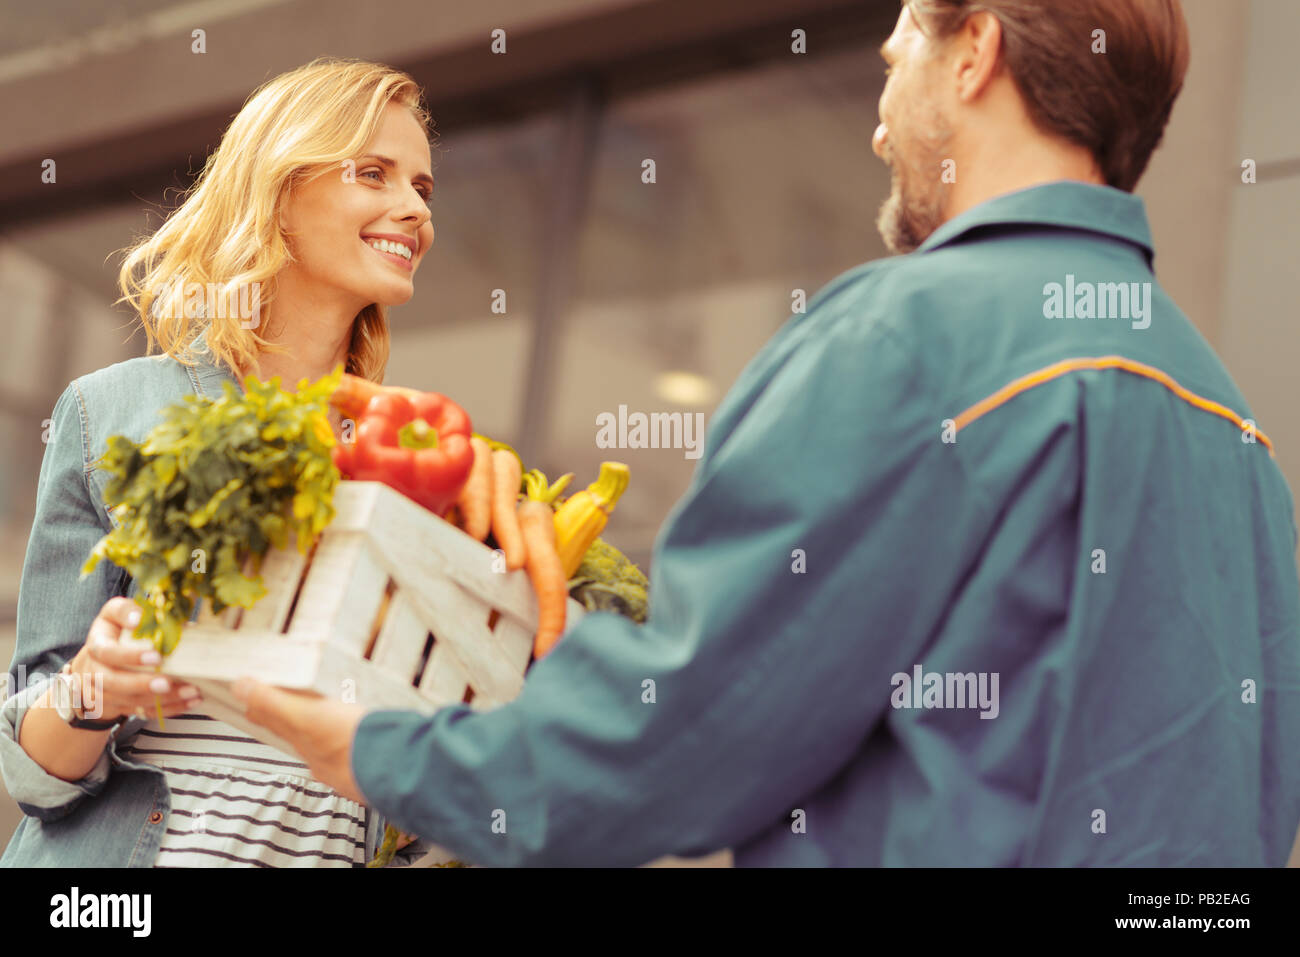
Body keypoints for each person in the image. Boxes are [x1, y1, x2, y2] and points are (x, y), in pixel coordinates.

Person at [236, 0, 1300, 867]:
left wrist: (383, 755)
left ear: (973, 52)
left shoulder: (906, 337)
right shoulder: (1235, 431)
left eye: (897, 62)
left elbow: (682, 738)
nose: (881, 124)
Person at [0, 58, 437, 867]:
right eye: (373, 173)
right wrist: (95, 687)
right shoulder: (113, 413)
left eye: (422, 187)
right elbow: (34, 770)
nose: (412, 208)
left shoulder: (414, 464)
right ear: (279, 190)